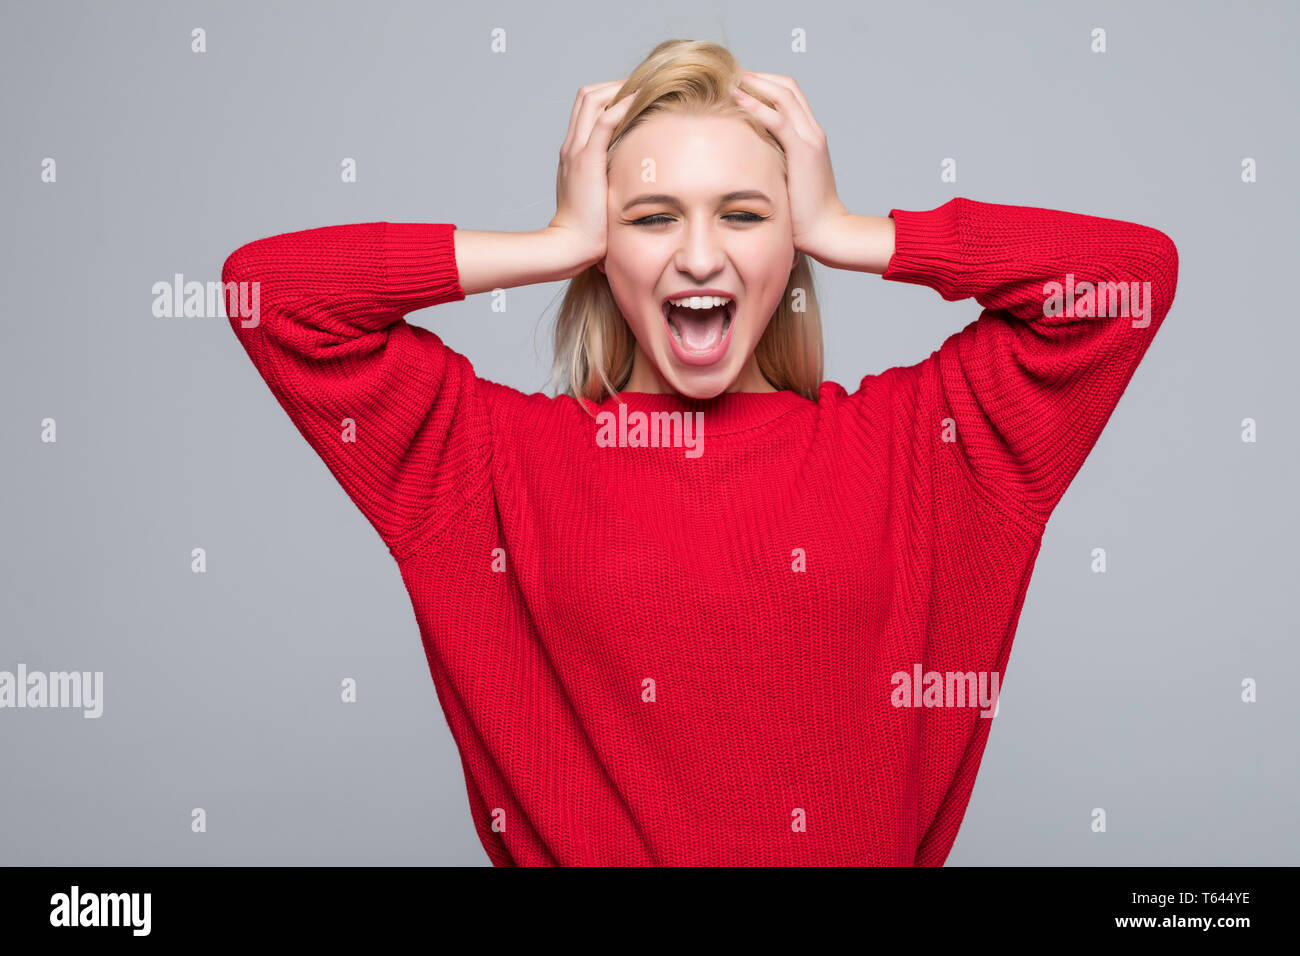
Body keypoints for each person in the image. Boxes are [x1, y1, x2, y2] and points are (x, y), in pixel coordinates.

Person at [222, 39, 1178, 865]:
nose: (698, 255)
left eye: (745, 214)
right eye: (651, 217)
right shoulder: (487, 463)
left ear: (789, 244)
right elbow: (271, 294)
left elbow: (1131, 276)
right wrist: (551, 242)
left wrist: (855, 232)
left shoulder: (920, 447)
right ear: (608, 249)